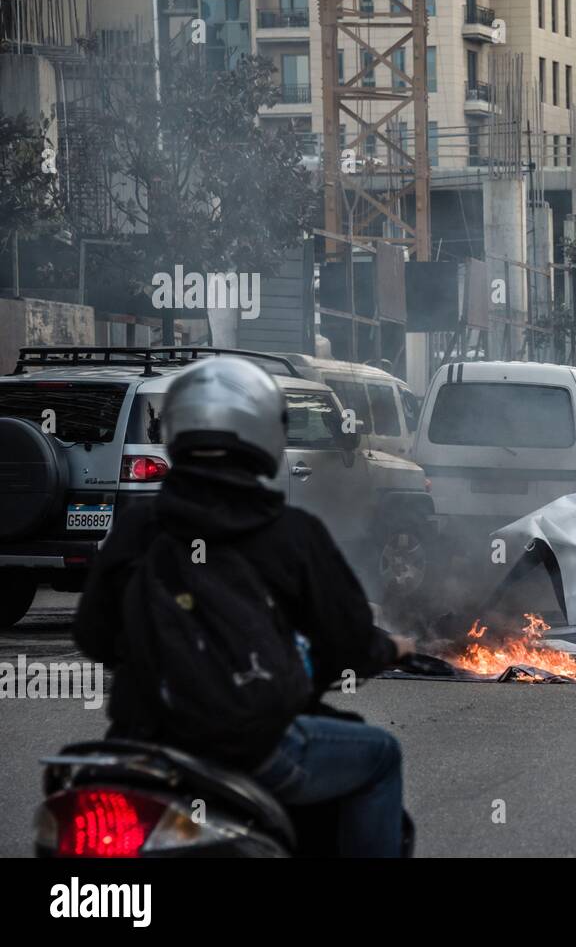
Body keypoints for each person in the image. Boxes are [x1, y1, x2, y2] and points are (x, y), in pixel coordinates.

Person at [73, 357, 417, 857]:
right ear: (266, 435)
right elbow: (348, 645)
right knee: (382, 755)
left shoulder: (139, 527)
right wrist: (391, 648)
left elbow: (93, 635)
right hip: (255, 746)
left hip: (144, 744)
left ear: (175, 430)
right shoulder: (292, 534)